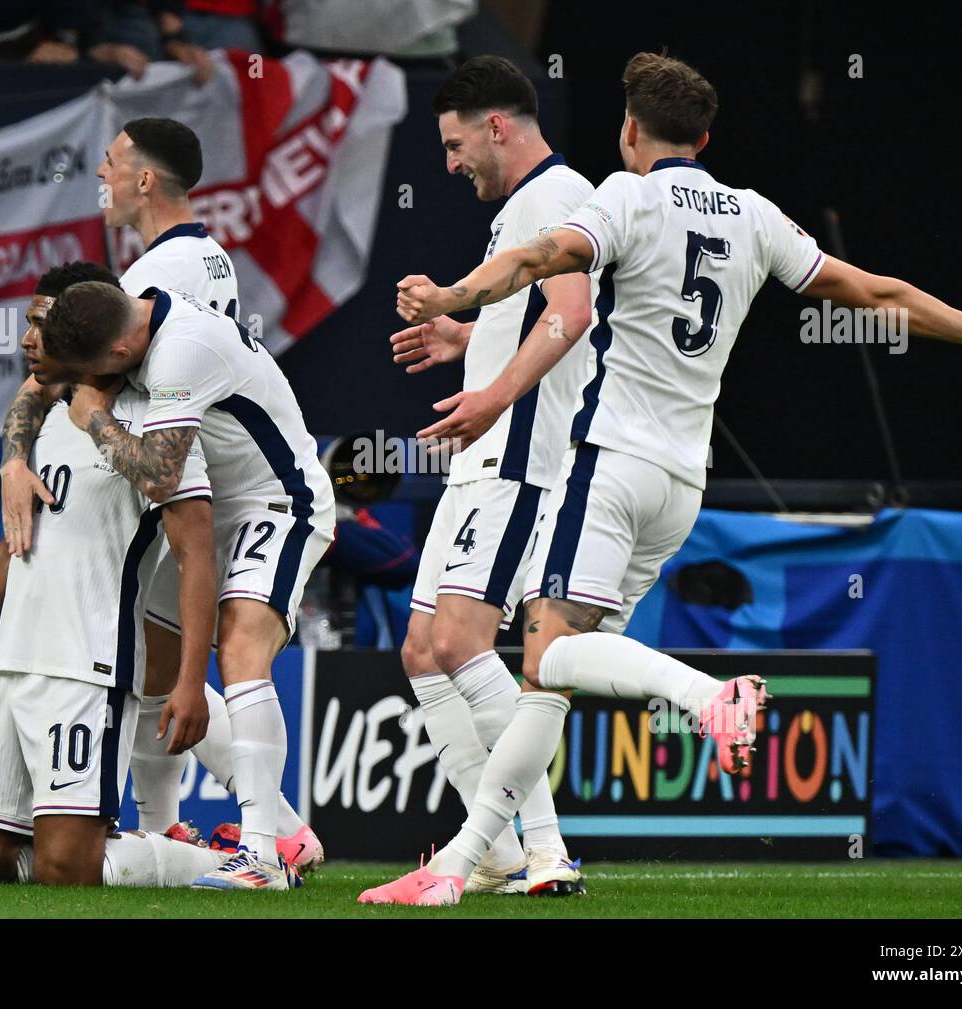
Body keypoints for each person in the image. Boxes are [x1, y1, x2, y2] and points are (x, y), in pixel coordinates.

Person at [362, 50, 962, 906]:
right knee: (548, 676)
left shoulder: (624, 194)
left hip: (607, 462)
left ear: (631, 132)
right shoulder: (754, 215)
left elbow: (542, 260)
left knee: (554, 652)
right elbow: (872, 292)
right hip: (683, 483)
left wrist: (456, 293)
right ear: (708, 136)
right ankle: (472, 865)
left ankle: (706, 693)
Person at [0, 263, 319, 879]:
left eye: (44, 326)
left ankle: (228, 853)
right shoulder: (43, 419)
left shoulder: (161, 422)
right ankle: (132, 846)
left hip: (88, 667)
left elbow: (195, 552)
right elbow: (12, 550)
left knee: (68, 869)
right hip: (12, 665)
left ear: (93, 343)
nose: (29, 341)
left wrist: (192, 679)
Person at [42, 281, 336, 890]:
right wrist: (15, 463)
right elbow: (46, 381)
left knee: (239, 650)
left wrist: (92, 413)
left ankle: (262, 854)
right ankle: (165, 827)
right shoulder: (126, 315)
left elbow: (158, 473)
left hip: (277, 504)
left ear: (123, 348)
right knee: (154, 667)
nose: (95, 383)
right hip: (210, 509)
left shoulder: (180, 350)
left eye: (100, 373)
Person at [387, 55, 594, 896]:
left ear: (496, 125)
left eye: (453, 143)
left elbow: (573, 317)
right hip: (486, 451)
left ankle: (545, 851)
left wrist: (488, 392)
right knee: (423, 650)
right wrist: (469, 341)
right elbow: (533, 317)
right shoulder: (523, 207)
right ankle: (503, 850)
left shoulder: (556, 197)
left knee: (462, 641)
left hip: (519, 453)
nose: (449, 163)